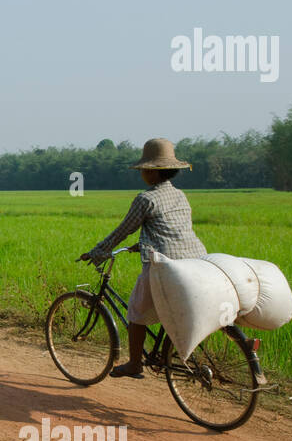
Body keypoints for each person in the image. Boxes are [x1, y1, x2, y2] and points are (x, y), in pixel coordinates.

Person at [79, 138, 206, 378]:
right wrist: (142, 244)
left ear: (150, 171)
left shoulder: (145, 199)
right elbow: (172, 230)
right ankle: (169, 353)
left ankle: (135, 364)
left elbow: (122, 231)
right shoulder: (180, 196)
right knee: (174, 311)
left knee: (136, 313)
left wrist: (97, 252)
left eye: (144, 169)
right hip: (195, 261)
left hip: (164, 266)